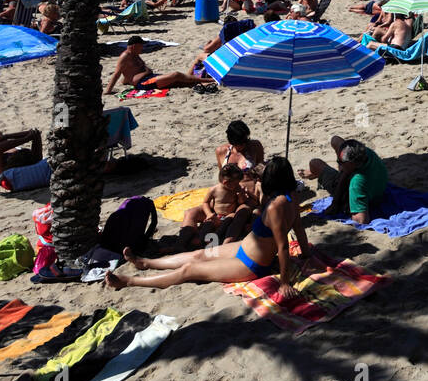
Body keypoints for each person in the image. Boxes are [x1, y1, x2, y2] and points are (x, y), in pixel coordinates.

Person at [106, 157, 318, 294]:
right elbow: (299, 228)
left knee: (190, 270)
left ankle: (129, 281)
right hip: (244, 247)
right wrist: (306, 255)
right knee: (198, 254)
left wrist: (284, 282)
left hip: (251, 264)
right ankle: (146, 263)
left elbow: (282, 246)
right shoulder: (292, 197)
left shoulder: (275, 207)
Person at [298, 136, 388, 225]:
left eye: (340, 162)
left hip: (356, 195)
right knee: (336, 140)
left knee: (315, 163)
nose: (338, 162)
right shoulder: (365, 152)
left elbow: (361, 220)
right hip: (374, 184)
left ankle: (314, 172)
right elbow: (346, 172)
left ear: (351, 164)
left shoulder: (356, 185)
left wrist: (336, 203)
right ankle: (318, 173)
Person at [177, 163, 257, 249]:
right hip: (215, 214)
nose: (238, 185)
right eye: (236, 183)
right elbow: (205, 202)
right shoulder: (214, 190)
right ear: (226, 182)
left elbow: (241, 202)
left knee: (227, 221)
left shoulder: (237, 188)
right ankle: (197, 240)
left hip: (229, 214)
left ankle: (214, 238)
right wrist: (208, 214)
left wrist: (241, 196)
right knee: (207, 225)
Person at [105, 35, 210, 93]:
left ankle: (203, 81)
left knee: (180, 81)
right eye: (140, 46)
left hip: (149, 78)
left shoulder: (134, 53)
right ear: (133, 46)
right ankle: (209, 80)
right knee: (176, 75)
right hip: (143, 83)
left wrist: (125, 81)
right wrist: (108, 90)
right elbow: (116, 74)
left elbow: (129, 72)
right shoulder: (125, 56)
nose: (142, 48)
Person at [217, 119, 265, 198]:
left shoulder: (255, 146)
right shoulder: (221, 151)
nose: (243, 146)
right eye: (238, 144)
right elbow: (221, 178)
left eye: (245, 142)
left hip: (250, 194)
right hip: (229, 196)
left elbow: (262, 173)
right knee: (192, 211)